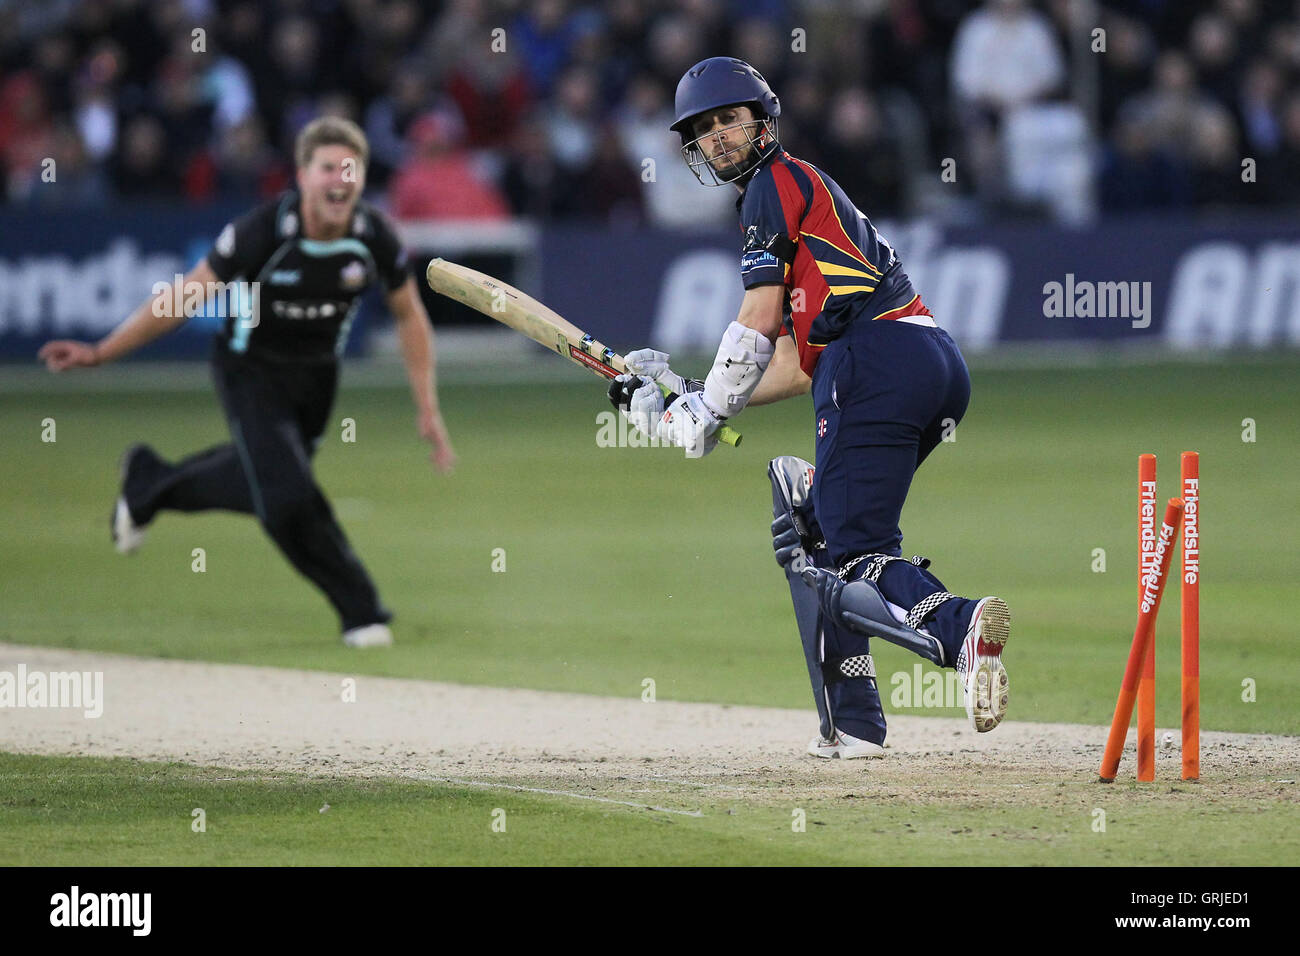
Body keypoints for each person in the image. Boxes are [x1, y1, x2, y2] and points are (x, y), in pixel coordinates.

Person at [609, 58, 1010, 758]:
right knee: (818, 527)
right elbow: (795, 365)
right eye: (704, 130)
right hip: (925, 362)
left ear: (762, 121)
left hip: (876, 363)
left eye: (729, 119)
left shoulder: (773, 185)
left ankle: (959, 626)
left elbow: (757, 322)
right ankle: (855, 726)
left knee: (853, 553)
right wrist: (695, 399)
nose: (718, 138)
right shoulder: (801, 191)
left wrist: (702, 415)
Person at [38, 117, 456, 648]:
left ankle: (148, 482)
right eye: (328, 167)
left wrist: (427, 406)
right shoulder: (261, 232)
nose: (340, 180)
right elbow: (184, 297)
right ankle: (360, 610)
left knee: (268, 481)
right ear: (302, 176)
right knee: (286, 493)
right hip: (249, 370)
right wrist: (102, 352)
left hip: (317, 380)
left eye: (351, 170)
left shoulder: (373, 236)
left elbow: (409, 316)